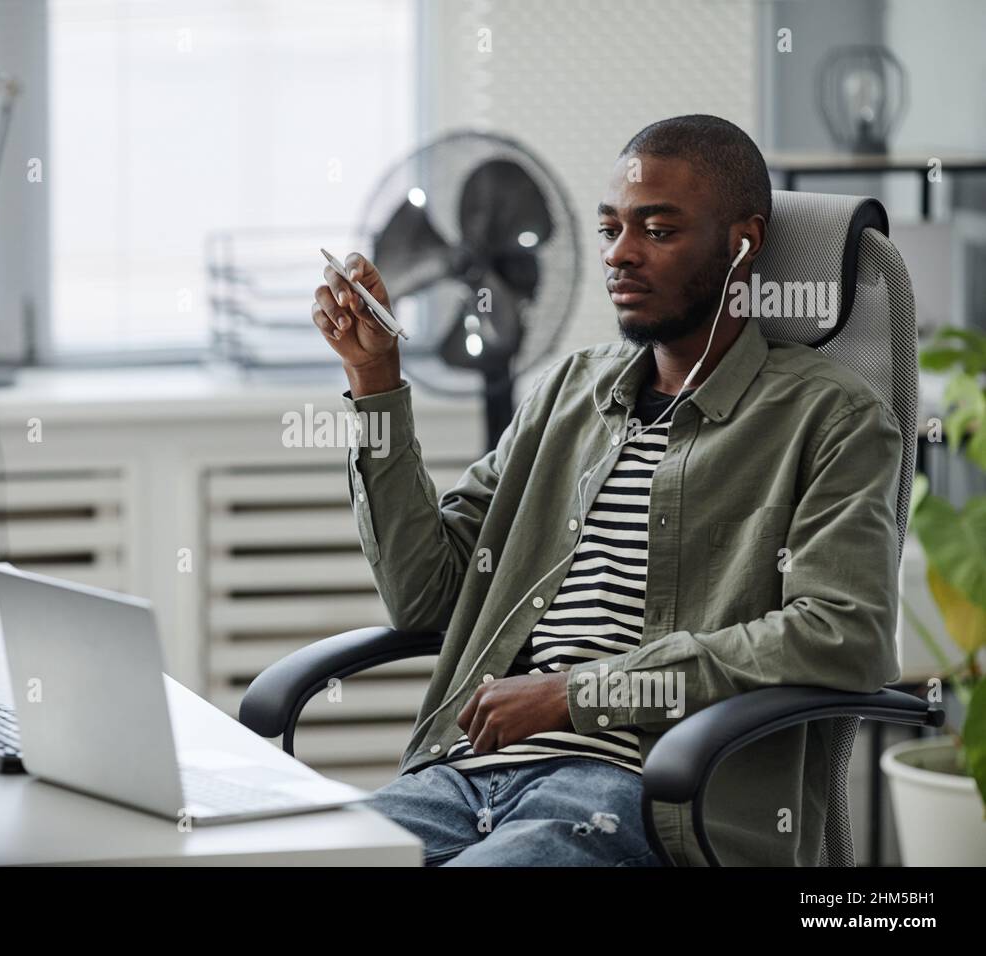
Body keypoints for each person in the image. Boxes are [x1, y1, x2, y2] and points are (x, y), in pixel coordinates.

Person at [310, 114, 903, 866]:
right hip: (458, 781)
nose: (619, 254)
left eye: (657, 231)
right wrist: (375, 384)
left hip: (635, 794)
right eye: (611, 228)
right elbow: (426, 595)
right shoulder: (568, 393)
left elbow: (842, 634)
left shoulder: (833, 419)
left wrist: (579, 692)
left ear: (743, 243)